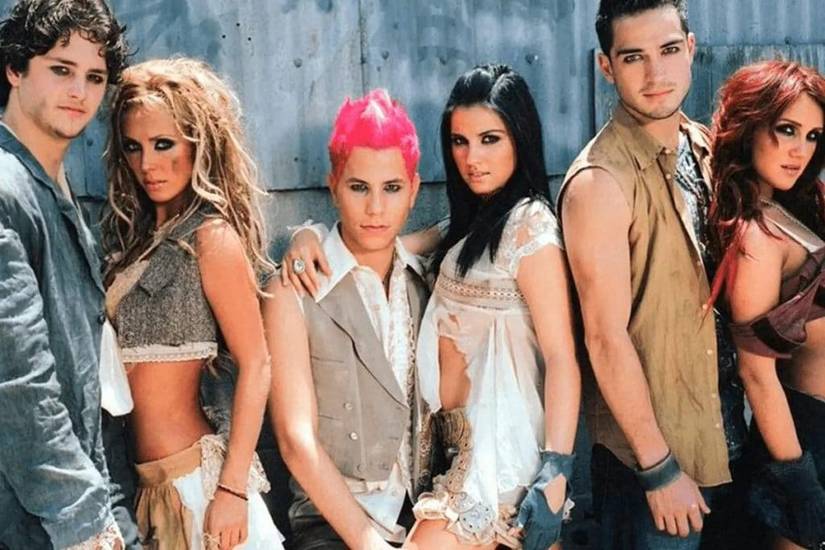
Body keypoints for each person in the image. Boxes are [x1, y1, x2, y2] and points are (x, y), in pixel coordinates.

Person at [558, 1, 749, 548]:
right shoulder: (599, 181)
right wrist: (659, 469)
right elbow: (604, 337)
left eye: (667, 50)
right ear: (606, 66)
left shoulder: (702, 147)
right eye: (633, 57)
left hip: (729, 443)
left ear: (690, 48)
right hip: (654, 472)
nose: (655, 73)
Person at [102, 57, 284, 549]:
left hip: (200, 486)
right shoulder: (132, 244)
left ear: (197, 143)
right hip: (144, 486)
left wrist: (232, 489)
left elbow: (258, 363)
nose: (148, 164)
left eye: (164, 144)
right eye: (134, 147)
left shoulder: (210, 237)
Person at [404, 63, 580, 550]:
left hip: (500, 463)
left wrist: (556, 471)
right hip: (459, 452)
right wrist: (311, 241)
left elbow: (561, 356)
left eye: (489, 140)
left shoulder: (530, 228)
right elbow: (388, 251)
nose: (472, 158)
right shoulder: (471, 223)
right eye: (459, 142)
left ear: (520, 138)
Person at [265, 88, 432, 550]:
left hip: (424, 516)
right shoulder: (292, 289)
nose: (375, 208)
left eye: (391, 188)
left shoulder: (427, 279)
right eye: (359, 187)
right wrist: (368, 544)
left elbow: (452, 231)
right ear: (333, 186)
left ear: (414, 191)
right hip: (331, 527)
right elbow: (295, 440)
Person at [0, 0, 135, 547]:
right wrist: (85, 522)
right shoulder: (6, 189)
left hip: (89, 487)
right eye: (61, 69)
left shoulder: (52, 187)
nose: (79, 91)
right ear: (14, 68)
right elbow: (17, 381)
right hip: (36, 518)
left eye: (95, 77)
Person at [707, 60, 825, 550]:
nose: (801, 150)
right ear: (750, 127)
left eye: (814, 136)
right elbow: (756, 373)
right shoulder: (756, 237)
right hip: (803, 436)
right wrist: (799, 480)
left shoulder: (786, 207)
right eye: (787, 130)